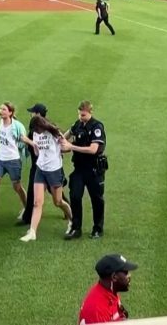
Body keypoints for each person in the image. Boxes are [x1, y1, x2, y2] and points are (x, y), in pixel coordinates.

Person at [0, 102, 35, 227]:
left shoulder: (15, 126)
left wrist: (33, 143)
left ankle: (27, 210)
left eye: (4, 109)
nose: (1, 111)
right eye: (0, 109)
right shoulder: (1, 122)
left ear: (10, 112)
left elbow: (22, 138)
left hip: (13, 161)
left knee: (17, 187)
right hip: (0, 159)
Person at [20, 115, 73, 242]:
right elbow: (38, 151)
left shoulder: (54, 132)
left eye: (35, 129)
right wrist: (36, 148)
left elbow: (65, 147)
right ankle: (32, 232)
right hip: (41, 169)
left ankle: (72, 220)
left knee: (58, 202)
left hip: (54, 170)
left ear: (40, 126)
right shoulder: (36, 134)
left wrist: (60, 149)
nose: (34, 132)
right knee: (37, 202)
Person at [61, 100, 107, 240]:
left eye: (84, 115)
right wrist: (59, 141)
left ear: (90, 112)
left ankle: (97, 229)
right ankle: (76, 228)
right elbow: (65, 136)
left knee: (96, 200)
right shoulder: (77, 124)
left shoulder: (97, 127)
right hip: (79, 169)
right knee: (75, 196)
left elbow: (93, 149)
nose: (81, 117)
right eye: (79, 114)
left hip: (93, 170)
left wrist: (71, 147)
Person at [77, 254, 137, 324]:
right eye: (126, 273)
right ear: (114, 277)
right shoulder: (97, 309)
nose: (129, 275)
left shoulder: (109, 291)